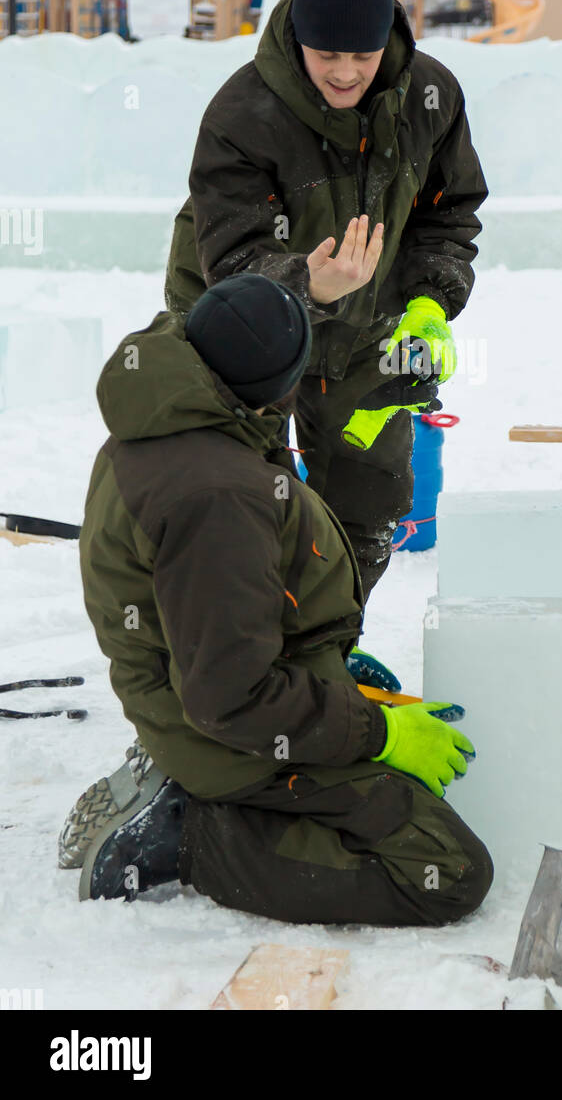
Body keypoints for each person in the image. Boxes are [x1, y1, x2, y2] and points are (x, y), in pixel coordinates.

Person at [59, 274, 492, 926]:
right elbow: (229, 695)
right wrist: (376, 734)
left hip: (201, 687)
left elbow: (252, 592)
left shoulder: (179, 408)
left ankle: (213, 794)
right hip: (217, 730)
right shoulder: (218, 496)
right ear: (274, 388)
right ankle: (191, 837)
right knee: (443, 868)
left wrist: (331, 671)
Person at [164, 0, 488, 600]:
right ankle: (245, 667)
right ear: (299, 41)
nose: (345, 72)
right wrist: (306, 282)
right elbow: (232, 253)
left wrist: (428, 305)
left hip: (367, 318)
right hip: (238, 320)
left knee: (366, 498)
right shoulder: (243, 112)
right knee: (242, 497)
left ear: (387, 43)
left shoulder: (429, 99)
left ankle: (326, 654)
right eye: (327, 53)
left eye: (363, 55)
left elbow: (446, 212)